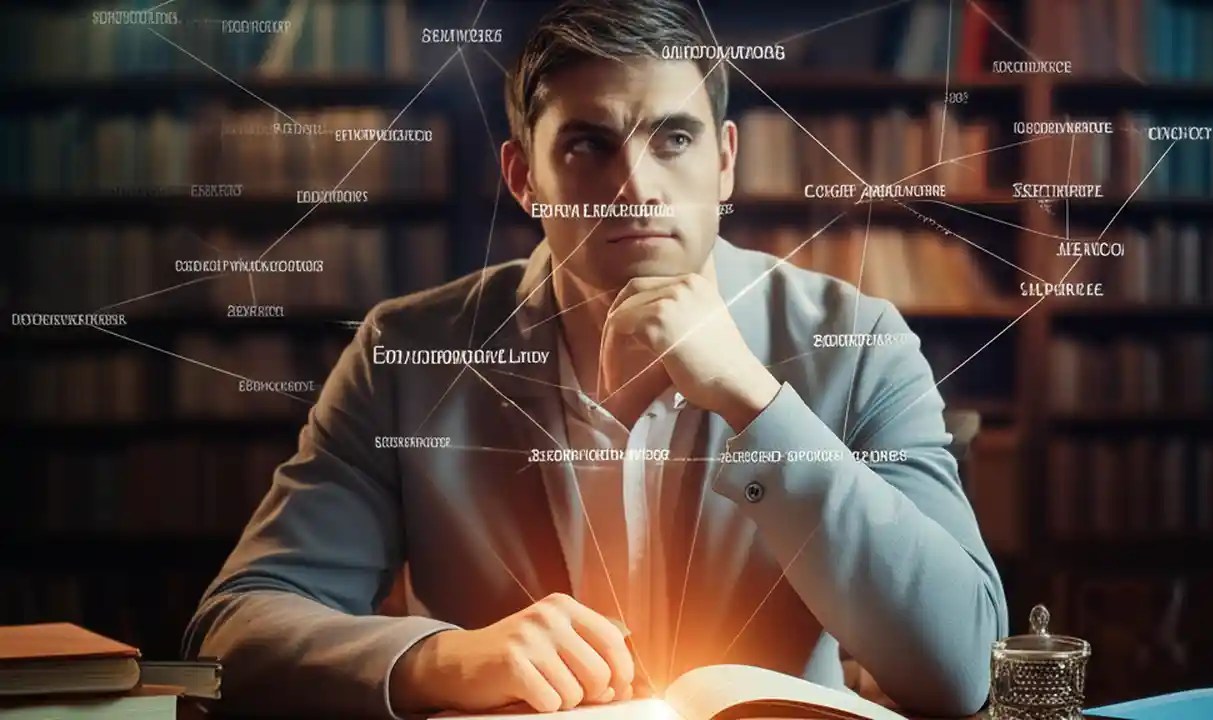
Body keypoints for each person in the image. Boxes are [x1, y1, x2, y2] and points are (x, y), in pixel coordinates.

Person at [183, 0, 1008, 717]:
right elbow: (237, 630)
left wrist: (759, 406)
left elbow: (963, 670)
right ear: (523, 176)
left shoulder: (860, 344)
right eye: (587, 146)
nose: (635, 187)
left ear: (725, 161)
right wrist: (439, 662)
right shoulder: (404, 357)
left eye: (673, 138)